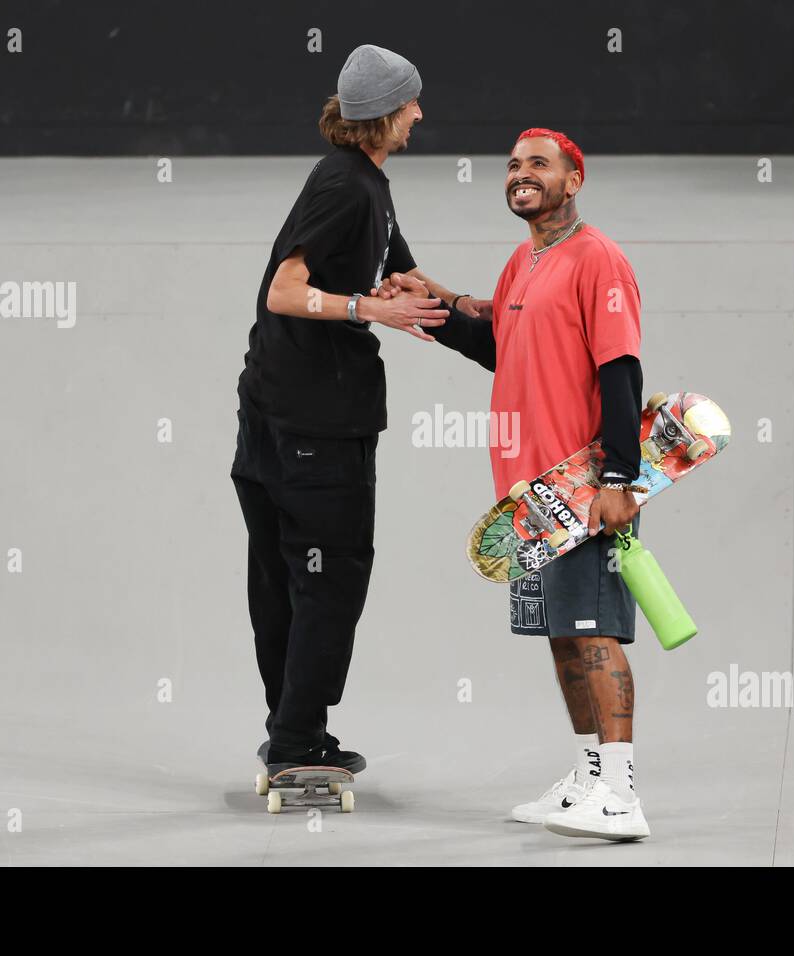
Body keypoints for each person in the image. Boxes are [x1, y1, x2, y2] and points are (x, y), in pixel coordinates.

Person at [376, 128, 651, 841]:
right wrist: (431, 301)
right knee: (562, 634)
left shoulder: (599, 259)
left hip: (584, 482)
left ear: (574, 179)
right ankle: (591, 776)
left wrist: (621, 476)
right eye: (512, 165)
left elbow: (620, 369)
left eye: (539, 164)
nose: (521, 174)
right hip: (529, 495)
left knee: (594, 632)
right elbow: (496, 342)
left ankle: (622, 795)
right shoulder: (523, 263)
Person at [231, 45, 476, 773]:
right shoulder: (347, 188)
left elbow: (402, 275)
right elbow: (283, 290)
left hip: (272, 415)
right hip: (317, 430)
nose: (421, 114)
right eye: (412, 104)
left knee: (283, 579)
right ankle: (300, 740)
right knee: (330, 581)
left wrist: (481, 317)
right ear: (382, 116)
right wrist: (362, 308)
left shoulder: (365, 183)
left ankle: (290, 729)